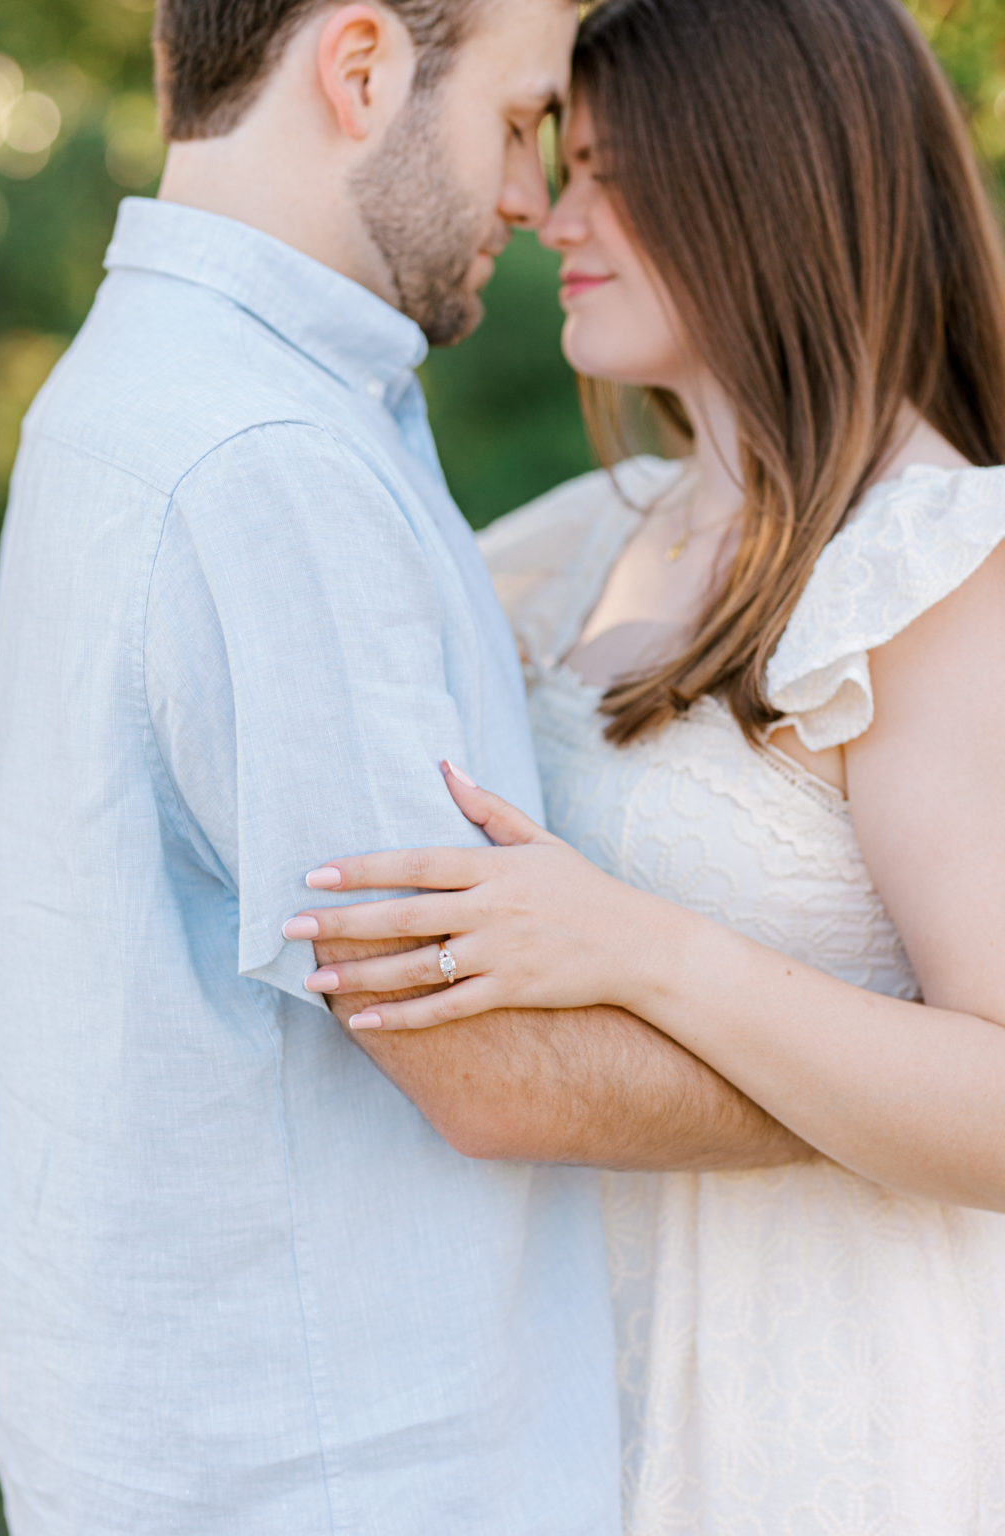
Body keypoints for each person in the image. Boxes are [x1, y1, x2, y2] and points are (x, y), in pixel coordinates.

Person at [0, 0, 817, 1531]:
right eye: (519, 122)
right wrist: (888, 1089)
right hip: (342, 1475)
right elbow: (486, 1069)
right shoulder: (266, 454)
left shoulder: (154, 390)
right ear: (361, 69)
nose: (532, 195)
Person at [289, 0, 1005, 1528]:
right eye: (564, 168)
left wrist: (645, 952)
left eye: (612, 176)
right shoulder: (586, 533)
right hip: (567, 1399)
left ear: (767, 182)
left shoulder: (941, 568)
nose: (554, 219)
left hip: (825, 1420)